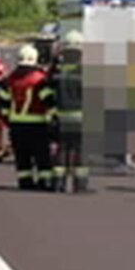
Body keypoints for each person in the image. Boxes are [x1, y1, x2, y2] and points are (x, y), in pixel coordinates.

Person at [0, 44, 55, 190]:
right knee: (42, 156)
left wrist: (7, 118)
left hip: (16, 125)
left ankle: (25, 182)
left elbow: (2, 102)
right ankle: (45, 182)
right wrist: (54, 120)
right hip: (38, 124)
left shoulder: (9, 80)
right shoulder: (39, 80)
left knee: (22, 156)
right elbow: (49, 101)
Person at [50, 30, 90, 194]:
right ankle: (80, 184)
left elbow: (48, 90)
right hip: (82, 118)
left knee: (62, 149)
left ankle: (58, 183)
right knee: (80, 151)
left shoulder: (57, 70)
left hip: (61, 117)